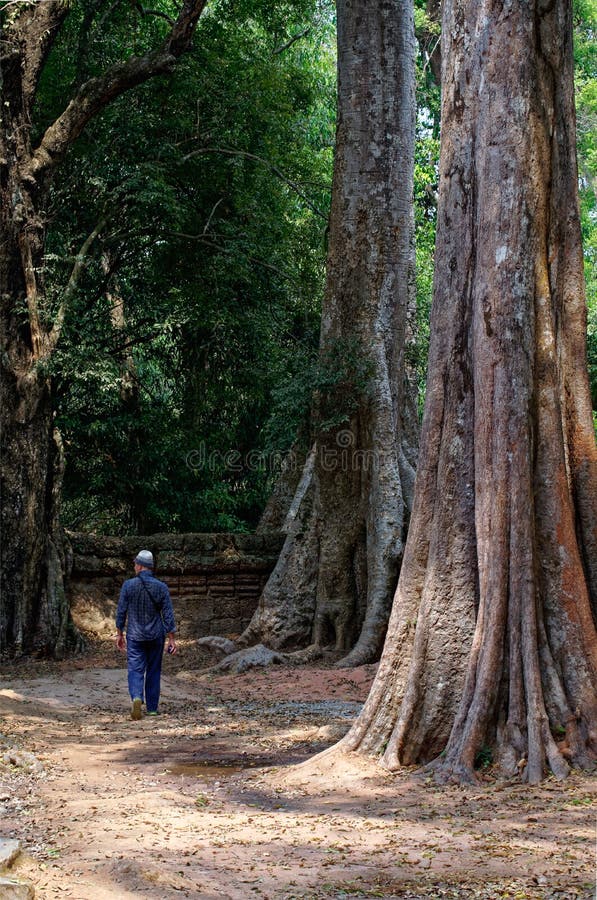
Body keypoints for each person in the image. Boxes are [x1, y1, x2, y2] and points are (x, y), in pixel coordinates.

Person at [115, 550, 177, 720]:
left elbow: (121, 611)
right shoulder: (161, 587)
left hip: (135, 635)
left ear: (141, 565)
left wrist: (119, 634)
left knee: (135, 668)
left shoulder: (128, 585)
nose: (134, 566)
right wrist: (171, 638)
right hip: (156, 635)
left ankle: (136, 697)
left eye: (135, 564)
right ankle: (151, 708)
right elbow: (168, 614)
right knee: (154, 670)